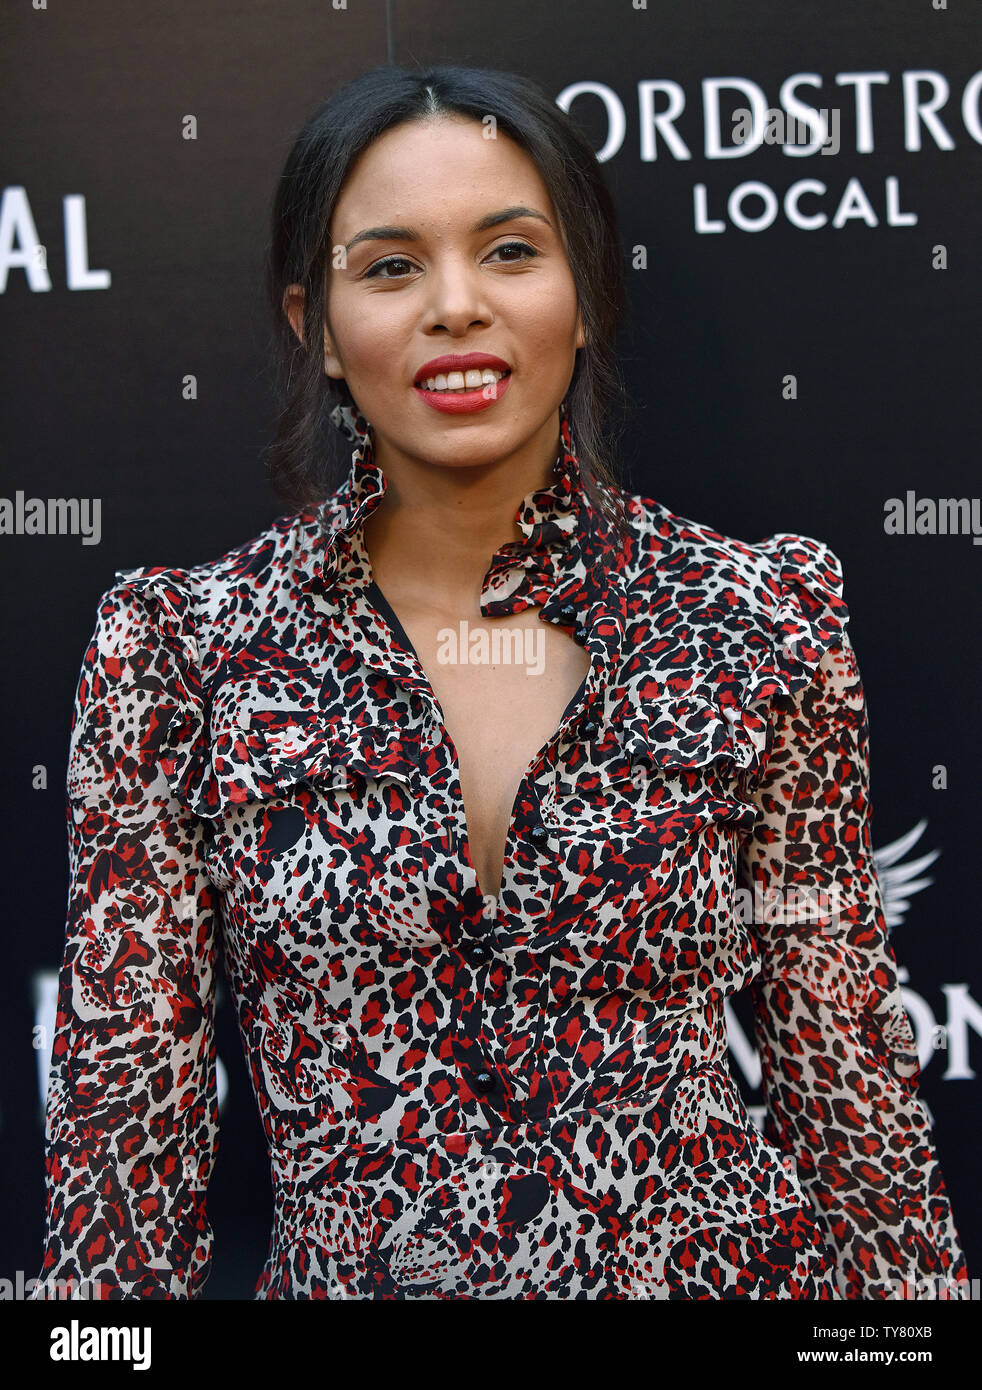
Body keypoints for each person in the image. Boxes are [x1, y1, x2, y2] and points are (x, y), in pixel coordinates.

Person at [33, 63, 969, 1301]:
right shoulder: (180, 652)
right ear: (312, 325)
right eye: (390, 266)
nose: (456, 307)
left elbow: (840, 1053)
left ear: (584, 298)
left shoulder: (757, 615)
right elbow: (125, 1112)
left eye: (511, 251)